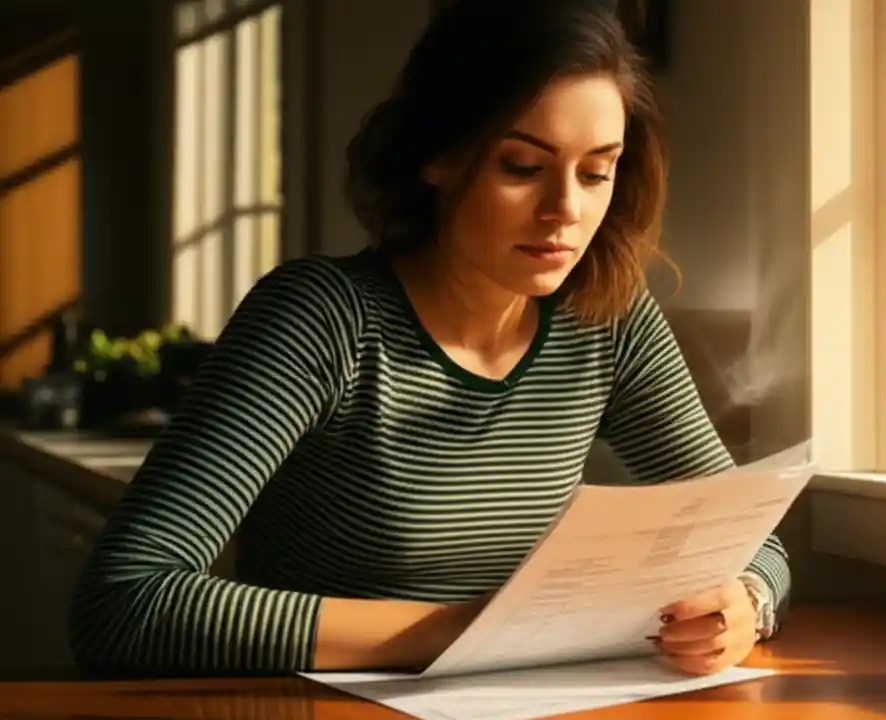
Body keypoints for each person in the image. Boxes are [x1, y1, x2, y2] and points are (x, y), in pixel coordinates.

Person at [69, 0, 790, 678]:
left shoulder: (608, 319)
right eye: (524, 167)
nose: (565, 209)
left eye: (597, 171)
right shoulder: (323, 320)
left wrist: (744, 604)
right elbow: (125, 602)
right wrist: (472, 634)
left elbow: (754, 540)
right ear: (438, 153)